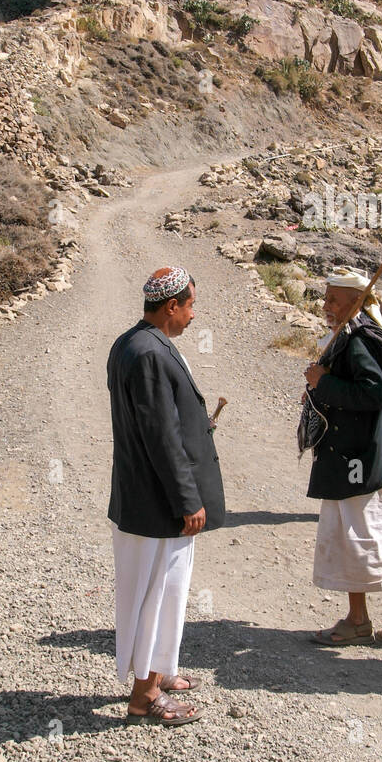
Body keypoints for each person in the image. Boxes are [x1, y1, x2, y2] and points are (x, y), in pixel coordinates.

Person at [107, 266, 225, 724]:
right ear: (171, 305)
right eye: (190, 306)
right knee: (158, 595)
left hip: (143, 497)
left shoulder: (131, 343)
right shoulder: (152, 353)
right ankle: (145, 696)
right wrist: (186, 500)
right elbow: (160, 436)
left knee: (162, 590)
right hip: (158, 504)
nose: (194, 315)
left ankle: (162, 672)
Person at [302, 267, 382, 648]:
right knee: (380, 536)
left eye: (334, 300)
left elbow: (371, 394)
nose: (326, 306)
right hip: (372, 457)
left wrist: (322, 383)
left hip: (357, 458)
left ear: (356, 302)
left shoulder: (357, 340)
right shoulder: (369, 333)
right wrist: (321, 391)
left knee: (357, 538)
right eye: (325, 298)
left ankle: (360, 620)